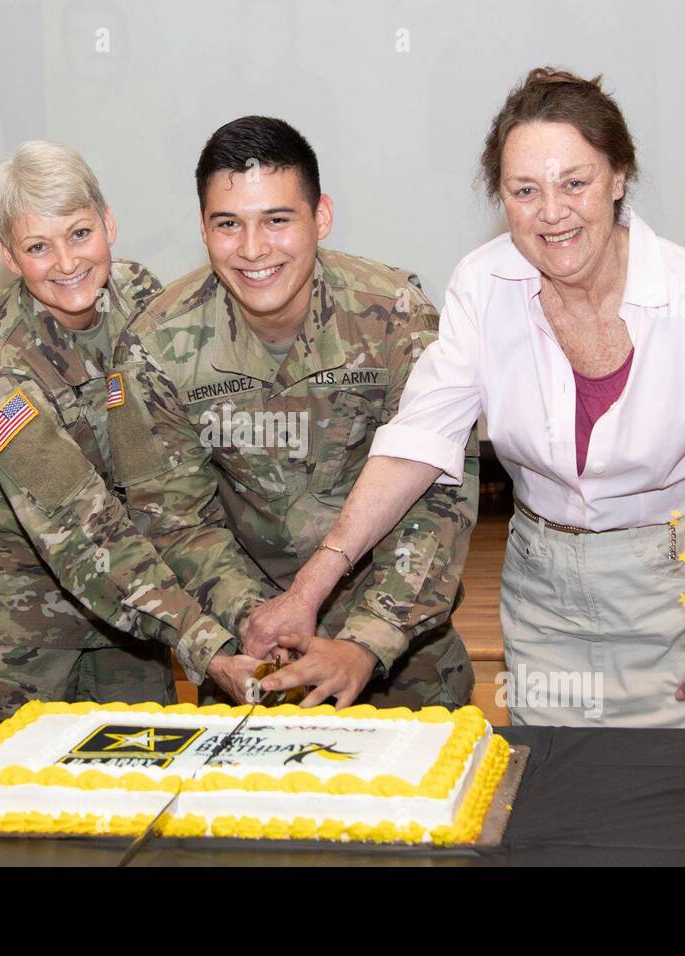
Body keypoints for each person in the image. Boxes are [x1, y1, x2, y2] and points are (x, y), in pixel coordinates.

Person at [259, 69, 685, 728]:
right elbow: (417, 442)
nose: (551, 212)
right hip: (546, 607)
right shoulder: (483, 284)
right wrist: (311, 586)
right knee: (559, 813)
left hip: (682, 602)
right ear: (501, 197)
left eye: (576, 182)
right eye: (525, 190)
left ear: (619, 177)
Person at [108, 116, 479, 710]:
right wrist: (264, 624)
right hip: (252, 657)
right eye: (228, 224)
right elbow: (175, 519)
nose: (253, 250)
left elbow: (440, 497)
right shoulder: (156, 344)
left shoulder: (394, 316)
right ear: (203, 230)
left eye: (277, 220)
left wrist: (366, 641)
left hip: (398, 652)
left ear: (321, 217)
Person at [0, 140, 260, 719]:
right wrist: (206, 646)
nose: (66, 263)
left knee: (141, 788)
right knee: (8, 802)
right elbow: (79, 525)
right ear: (10, 257)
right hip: (15, 631)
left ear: (108, 223)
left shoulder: (140, 297)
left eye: (80, 233)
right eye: (38, 246)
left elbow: (175, 464)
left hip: (133, 614)